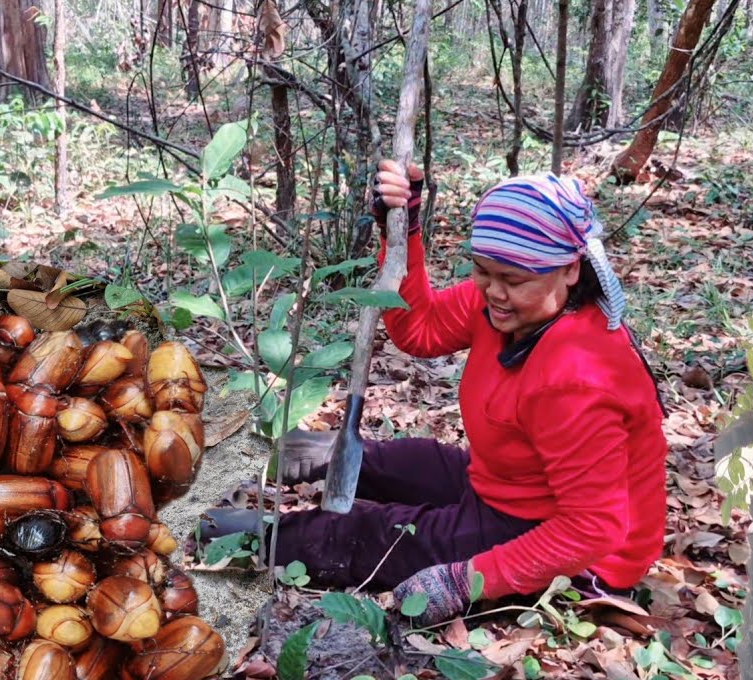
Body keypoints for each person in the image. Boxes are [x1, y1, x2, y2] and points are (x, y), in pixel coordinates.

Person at [202, 160, 669, 624]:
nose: (494, 292)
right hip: (509, 486)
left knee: (368, 534)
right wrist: (401, 230)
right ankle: (227, 463)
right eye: (483, 272)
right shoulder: (503, 308)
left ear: (569, 270)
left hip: (573, 553)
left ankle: (229, 533)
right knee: (397, 460)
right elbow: (420, 329)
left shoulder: (578, 374)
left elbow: (592, 529)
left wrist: (465, 580)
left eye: (514, 280)